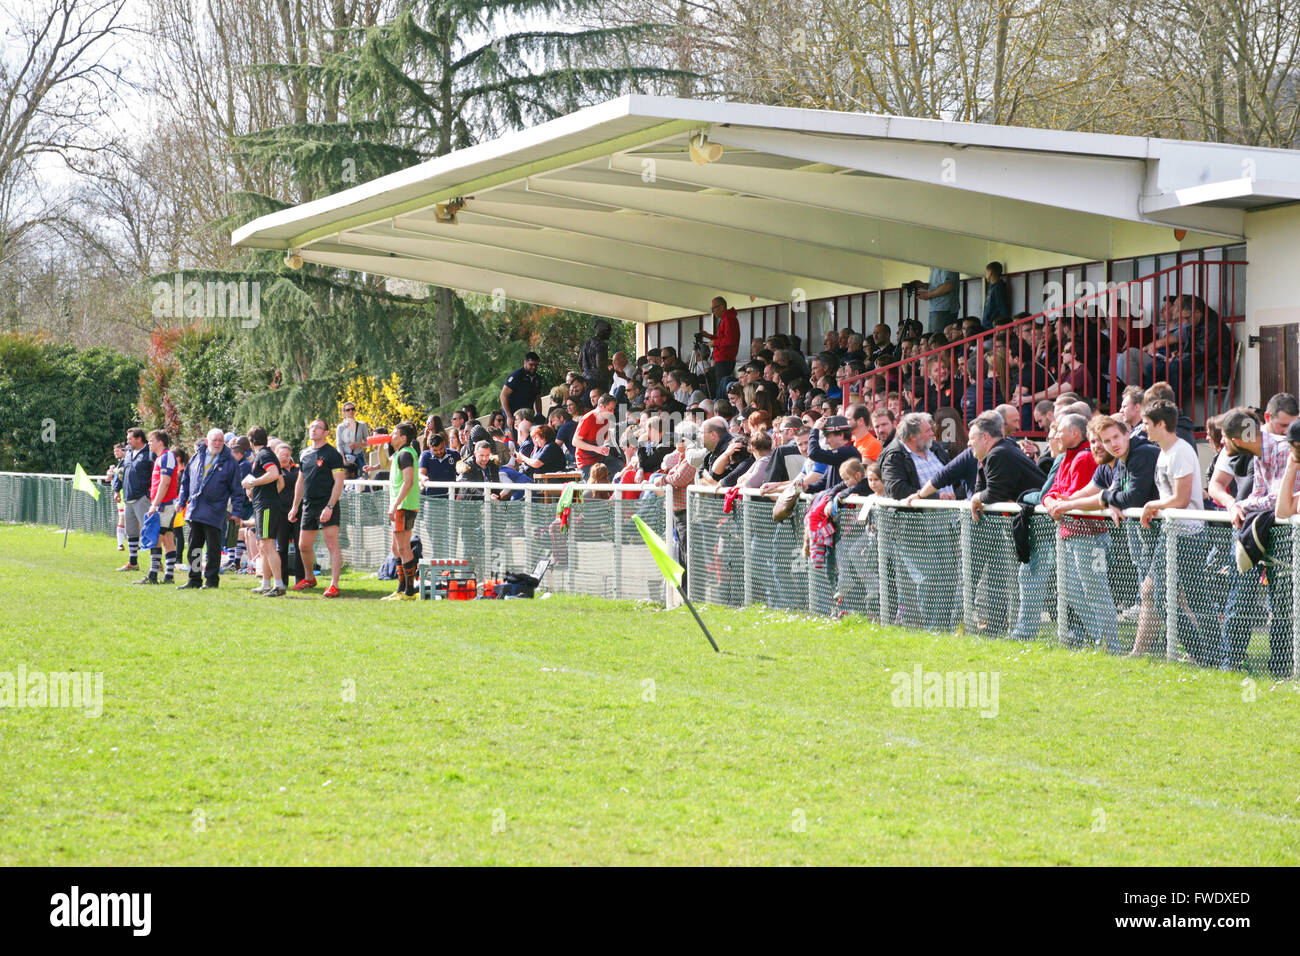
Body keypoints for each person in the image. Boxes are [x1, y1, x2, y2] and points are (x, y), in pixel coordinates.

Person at [1216, 408, 1298, 676]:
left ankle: (1281, 668)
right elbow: (1261, 493)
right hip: (1266, 534)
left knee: (1282, 606)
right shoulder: (1259, 452)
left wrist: (1241, 506)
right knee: (1241, 602)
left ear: (1236, 440)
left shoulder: (1281, 449)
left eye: (1225, 440)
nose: (1222, 445)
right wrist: (1235, 507)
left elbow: (1278, 501)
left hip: (1285, 539)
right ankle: (1231, 664)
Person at [1134, 400, 1218, 662]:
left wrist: (1151, 505)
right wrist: (1156, 509)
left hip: (1188, 535)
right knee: (1162, 595)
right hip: (1172, 534)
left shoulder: (1180, 451)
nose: (1143, 428)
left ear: (1161, 424)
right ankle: (1206, 652)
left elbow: (1181, 500)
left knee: (1193, 598)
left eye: (1147, 423)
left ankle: (1211, 652)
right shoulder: (1164, 451)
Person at [1041, 413, 1119, 652]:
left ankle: (1109, 644)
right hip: (1069, 533)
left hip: (1090, 535)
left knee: (1095, 590)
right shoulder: (1067, 457)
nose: (1054, 436)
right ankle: (1100, 640)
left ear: (1075, 433)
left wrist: (1060, 504)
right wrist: (1051, 503)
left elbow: (1077, 496)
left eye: (1059, 431)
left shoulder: (1084, 459)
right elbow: (1053, 491)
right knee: (1072, 591)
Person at [177, 429, 244, 591]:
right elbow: (186, 481)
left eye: (221, 441)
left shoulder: (229, 462)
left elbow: (237, 490)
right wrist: (182, 500)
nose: (218, 443)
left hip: (216, 510)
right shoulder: (196, 457)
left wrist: (236, 512)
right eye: (214, 440)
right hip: (195, 508)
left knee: (213, 547)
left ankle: (212, 580)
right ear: (207, 442)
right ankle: (194, 579)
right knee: (194, 546)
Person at [288, 419, 346, 598]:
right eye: (311, 427)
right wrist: (295, 506)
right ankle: (309, 578)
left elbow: (339, 482)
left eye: (318, 428)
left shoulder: (333, 454)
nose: (313, 430)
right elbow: (300, 480)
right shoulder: (304, 453)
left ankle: (334, 585)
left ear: (326, 432)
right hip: (308, 505)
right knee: (303, 545)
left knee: (331, 543)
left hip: (327, 503)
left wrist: (330, 506)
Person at [240, 426, 286, 597]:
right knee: (262, 545)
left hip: (266, 507)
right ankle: (266, 583)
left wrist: (253, 484)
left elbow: (274, 474)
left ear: (251, 442)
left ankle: (279, 585)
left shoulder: (264, 455)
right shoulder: (265, 455)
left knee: (267, 544)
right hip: (264, 504)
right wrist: (259, 492)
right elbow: (280, 484)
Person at [382, 422, 421, 601]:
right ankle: (402, 587)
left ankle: (409, 591)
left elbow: (409, 481)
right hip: (402, 505)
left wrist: (395, 504)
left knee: (403, 547)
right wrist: (382, 447)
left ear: (403, 437)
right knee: (396, 547)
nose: (391, 436)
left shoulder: (405, 454)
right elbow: (385, 463)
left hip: (403, 505)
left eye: (394, 433)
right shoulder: (400, 453)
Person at [134, 429, 180, 585]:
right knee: (167, 538)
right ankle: (168, 576)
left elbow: (165, 482)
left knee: (156, 538)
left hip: (164, 504)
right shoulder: (162, 457)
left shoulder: (167, 456)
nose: (149, 443)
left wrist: (155, 504)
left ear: (160, 442)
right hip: (165, 504)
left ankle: (153, 575)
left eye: (151, 440)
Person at [117, 427, 155, 572]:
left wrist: (150, 494)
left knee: (148, 530)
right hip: (128, 498)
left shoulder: (150, 455)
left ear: (139, 439)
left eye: (130, 439)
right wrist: (117, 489)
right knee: (131, 531)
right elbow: (121, 473)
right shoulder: (128, 454)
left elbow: (155, 475)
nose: (128, 442)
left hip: (142, 498)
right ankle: (133, 562)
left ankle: (156, 563)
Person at [273, 441, 303, 587]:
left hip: (298, 512)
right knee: (281, 547)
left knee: (300, 546)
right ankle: (282, 581)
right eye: (281, 455)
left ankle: (301, 580)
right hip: (281, 512)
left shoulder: (298, 469)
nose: (284, 458)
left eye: (287, 455)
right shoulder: (274, 471)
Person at [698, 296, 740, 397]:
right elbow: (722, 338)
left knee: (721, 387)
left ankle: (721, 407)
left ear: (722, 307)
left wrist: (714, 343)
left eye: (714, 308)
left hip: (725, 358)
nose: (713, 311)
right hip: (722, 358)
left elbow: (729, 340)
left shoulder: (729, 319)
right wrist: (708, 336)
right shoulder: (726, 318)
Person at [573, 394, 619, 480]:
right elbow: (575, 441)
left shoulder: (608, 418)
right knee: (594, 486)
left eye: (613, 409)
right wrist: (596, 448)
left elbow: (607, 438)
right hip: (586, 460)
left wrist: (606, 445)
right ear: (601, 406)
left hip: (600, 457)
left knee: (620, 467)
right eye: (610, 409)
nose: (612, 412)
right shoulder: (588, 419)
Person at [500, 351, 544, 422]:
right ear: (525, 363)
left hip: (528, 415)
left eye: (536, 365)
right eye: (531, 364)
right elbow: (503, 395)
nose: (534, 367)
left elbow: (538, 398)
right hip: (514, 416)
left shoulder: (537, 378)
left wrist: (539, 414)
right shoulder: (516, 376)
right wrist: (509, 416)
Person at [418, 432, 459, 496]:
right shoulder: (425, 455)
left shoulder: (454, 454)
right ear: (430, 447)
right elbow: (421, 473)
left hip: (451, 496)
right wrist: (423, 478)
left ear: (444, 444)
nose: (439, 452)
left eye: (441, 449)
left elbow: (461, 474)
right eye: (435, 450)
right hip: (431, 497)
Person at [336, 403, 371, 473]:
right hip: (346, 458)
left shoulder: (362, 425)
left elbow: (368, 443)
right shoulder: (340, 427)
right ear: (344, 412)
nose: (351, 411)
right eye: (348, 410)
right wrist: (343, 460)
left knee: (363, 480)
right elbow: (339, 445)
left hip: (360, 457)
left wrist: (358, 444)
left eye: (352, 409)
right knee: (348, 481)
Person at [579, 319, 613, 392]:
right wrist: (610, 377)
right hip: (598, 382)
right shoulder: (601, 345)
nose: (610, 335)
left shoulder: (587, 342)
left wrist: (586, 373)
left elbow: (579, 362)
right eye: (609, 332)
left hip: (585, 379)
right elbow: (600, 365)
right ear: (604, 331)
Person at [980, 261, 1011, 328]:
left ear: (990, 272)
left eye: (986, 272)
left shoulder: (999, 288)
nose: (985, 275)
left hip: (992, 326)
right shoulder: (991, 287)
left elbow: (1003, 309)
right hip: (986, 325)